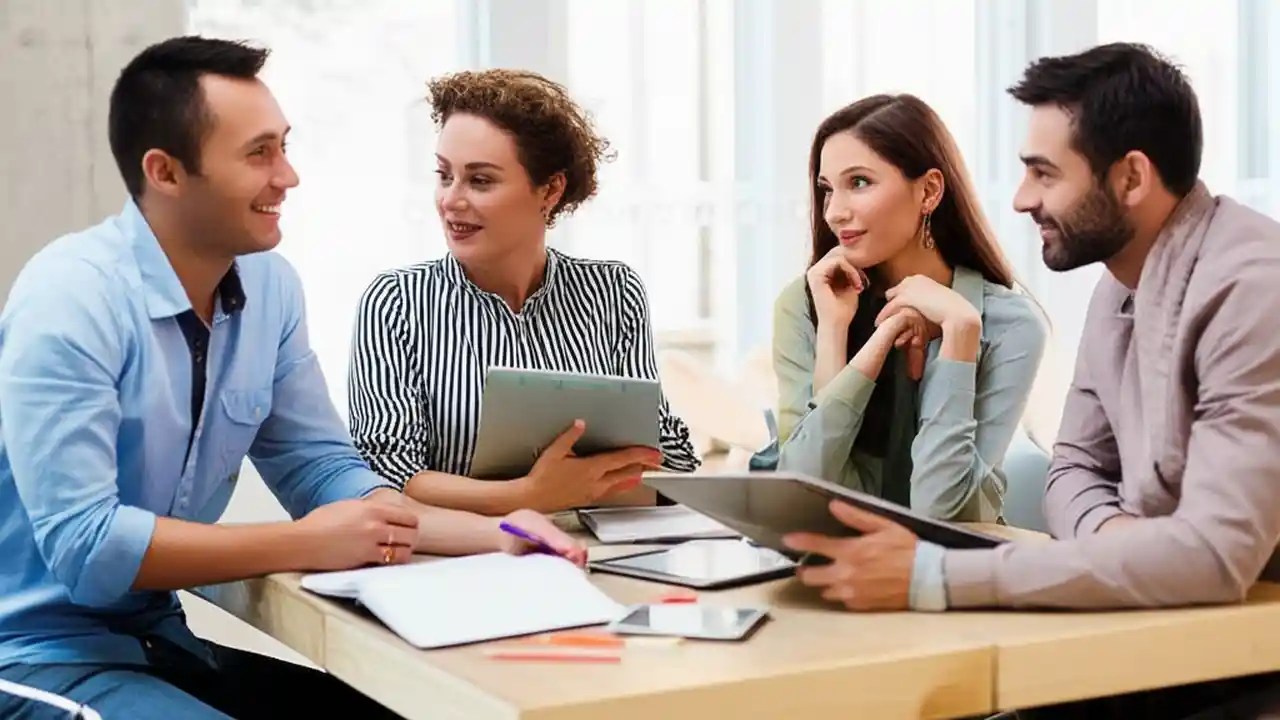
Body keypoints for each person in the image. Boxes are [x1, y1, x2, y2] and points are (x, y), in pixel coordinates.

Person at [0, 37, 580, 720]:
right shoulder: (70, 297)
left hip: (156, 640)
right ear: (166, 172)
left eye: (284, 146)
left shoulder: (270, 289)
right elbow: (88, 549)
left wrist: (496, 532)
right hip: (35, 655)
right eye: (258, 154)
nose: (288, 176)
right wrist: (308, 541)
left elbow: (324, 473)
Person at [782, 43, 1280, 718]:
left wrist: (932, 573)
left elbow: (1213, 557)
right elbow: (1071, 468)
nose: (1020, 200)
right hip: (1168, 622)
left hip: (1241, 649)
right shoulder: (1119, 289)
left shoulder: (1253, 288)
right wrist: (1117, 536)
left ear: (1131, 177)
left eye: (1045, 175)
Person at [348, 68, 700, 516]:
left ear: (550, 190)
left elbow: (669, 458)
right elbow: (388, 471)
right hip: (455, 560)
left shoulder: (614, 291)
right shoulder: (396, 302)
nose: (450, 200)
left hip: (597, 552)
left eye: (480, 180)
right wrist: (527, 498)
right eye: (444, 175)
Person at [770, 93, 1047, 522]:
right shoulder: (806, 304)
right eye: (827, 189)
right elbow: (802, 490)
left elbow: (940, 510)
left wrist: (958, 333)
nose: (834, 213)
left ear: (930, 190)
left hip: (955, 576)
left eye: (859, 182)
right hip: (828, 568)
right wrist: (842, 334)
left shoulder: (1009, 325)